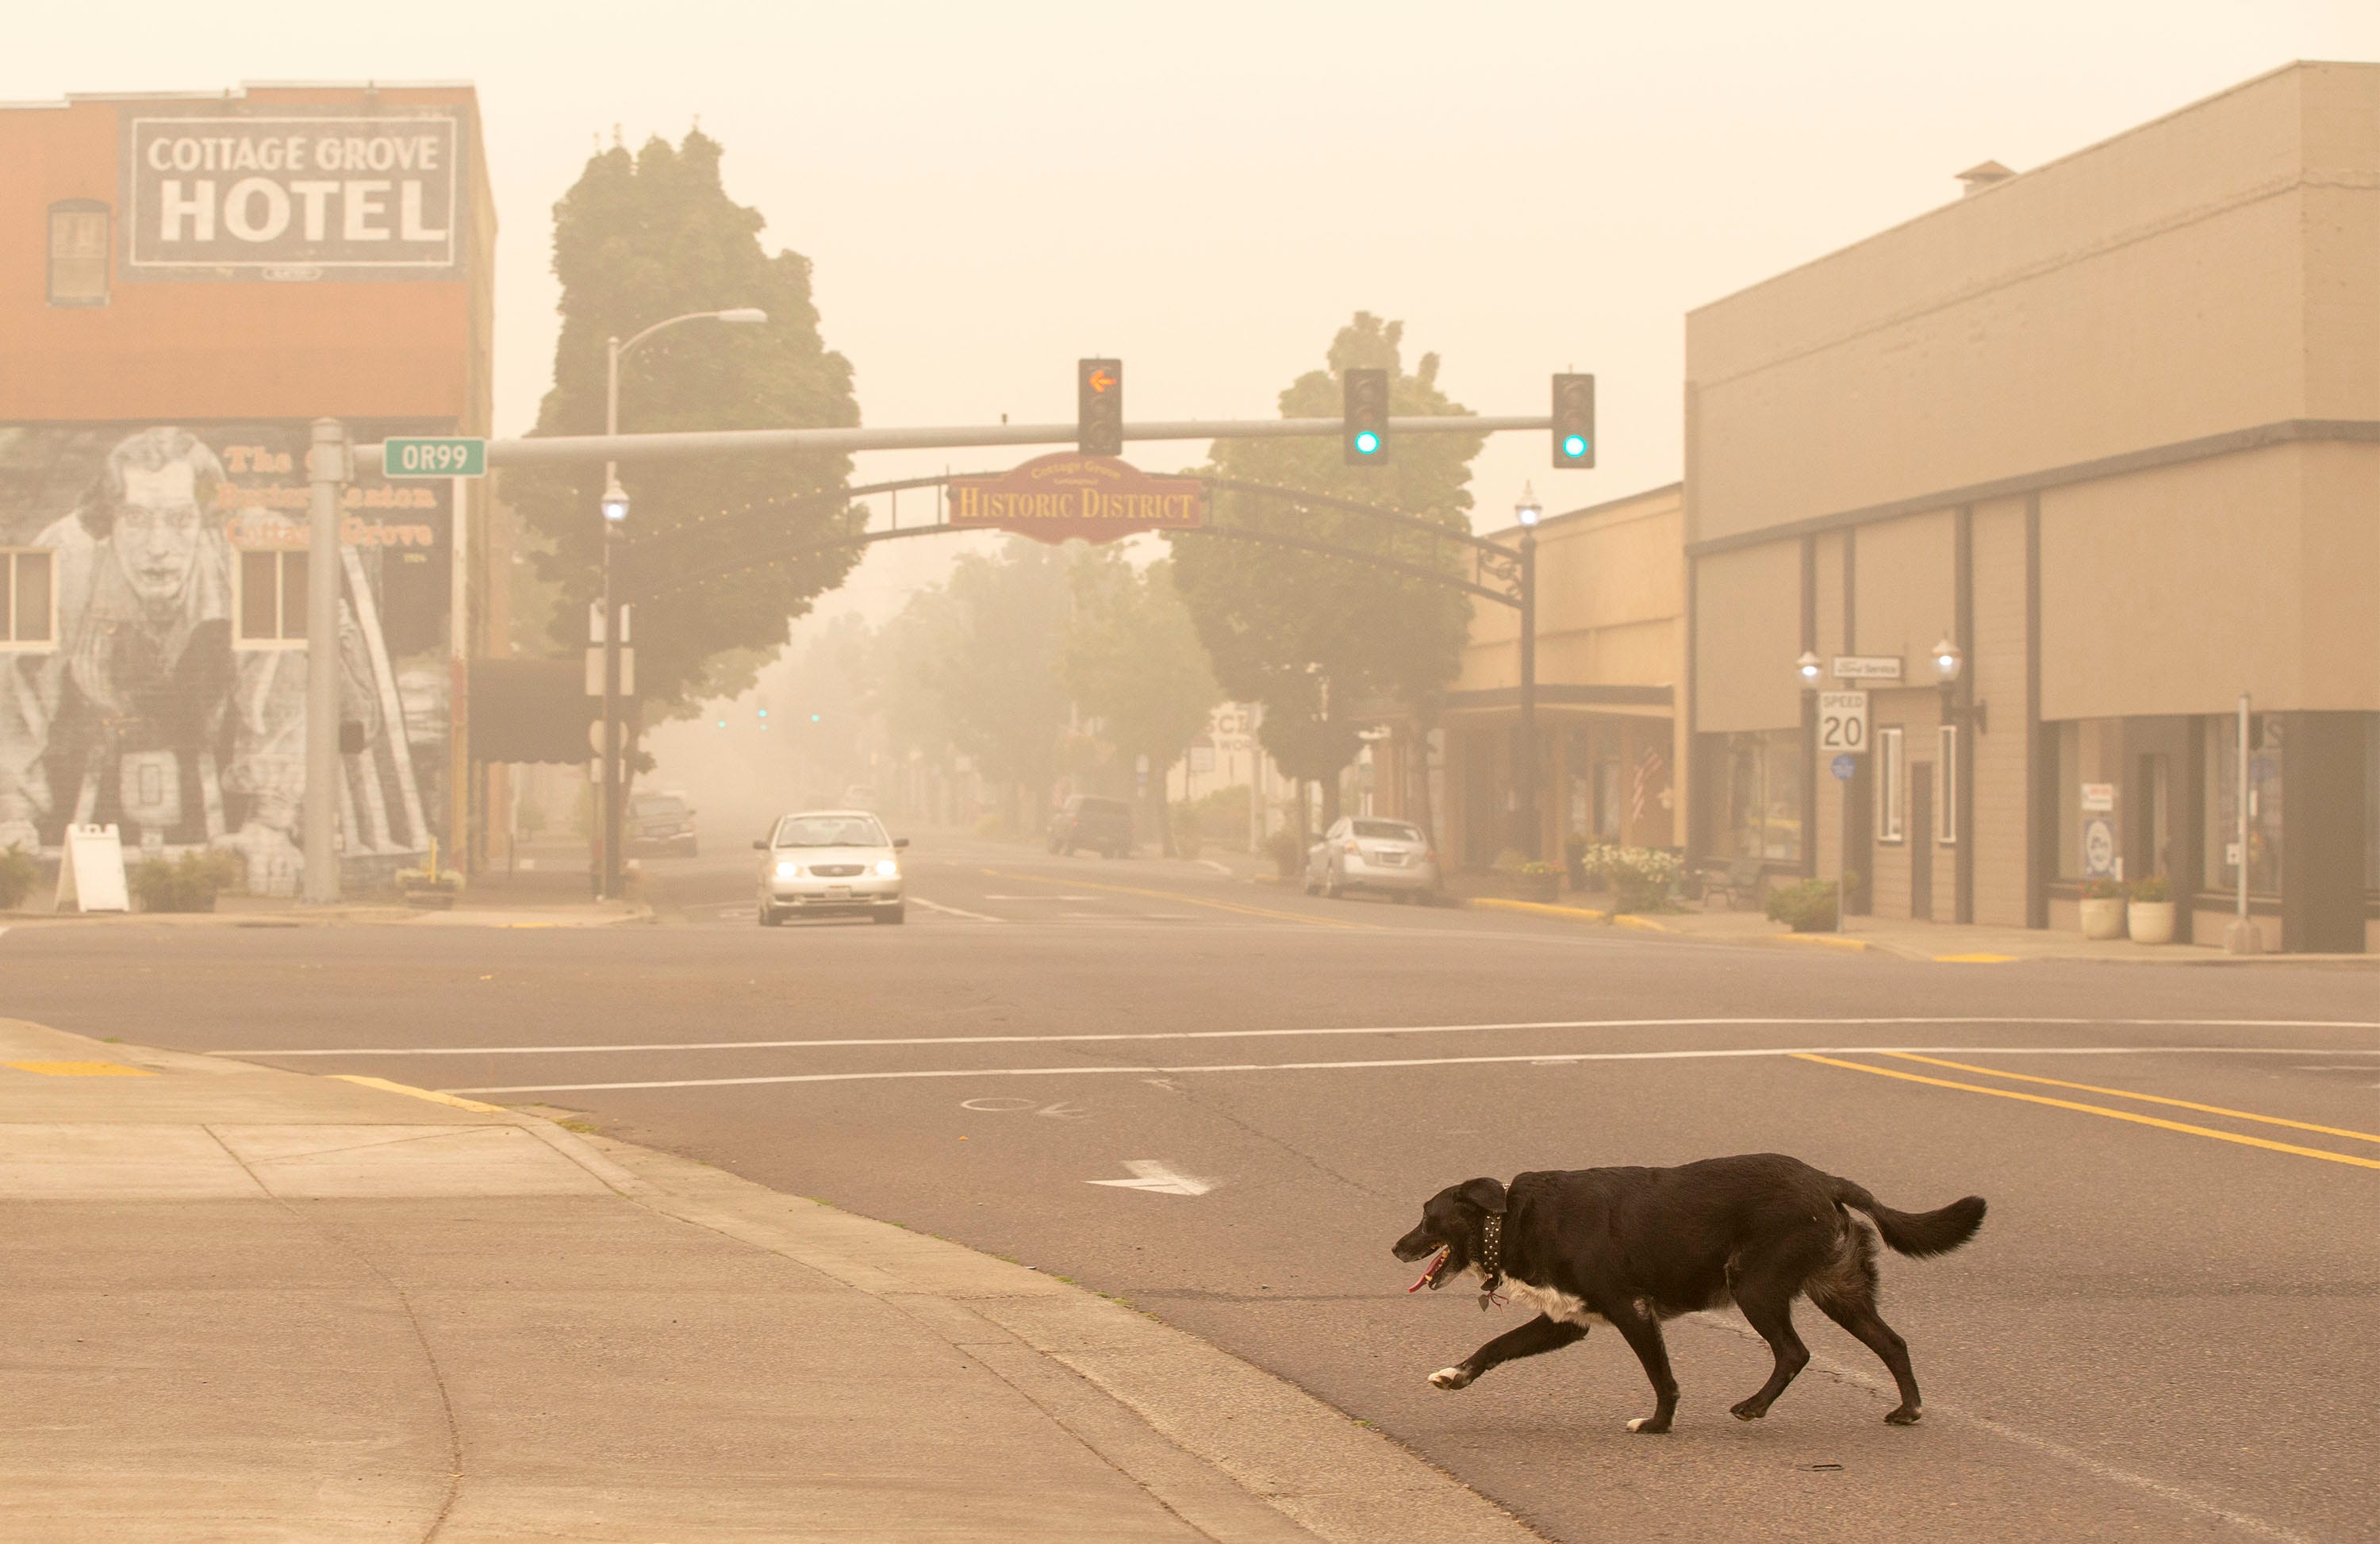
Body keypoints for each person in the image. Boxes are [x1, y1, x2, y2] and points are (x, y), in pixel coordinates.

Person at [0, 427, 381, 892]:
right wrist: (11, 814)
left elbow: (286, 694)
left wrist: (271, 820)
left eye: (181, 520)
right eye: (136, 519)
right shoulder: (62, 554)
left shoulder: (260, 546)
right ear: (108, 520)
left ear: (208, 519)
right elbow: (13, 691)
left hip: (229, 738)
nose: (157, 546)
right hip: (95, 734)